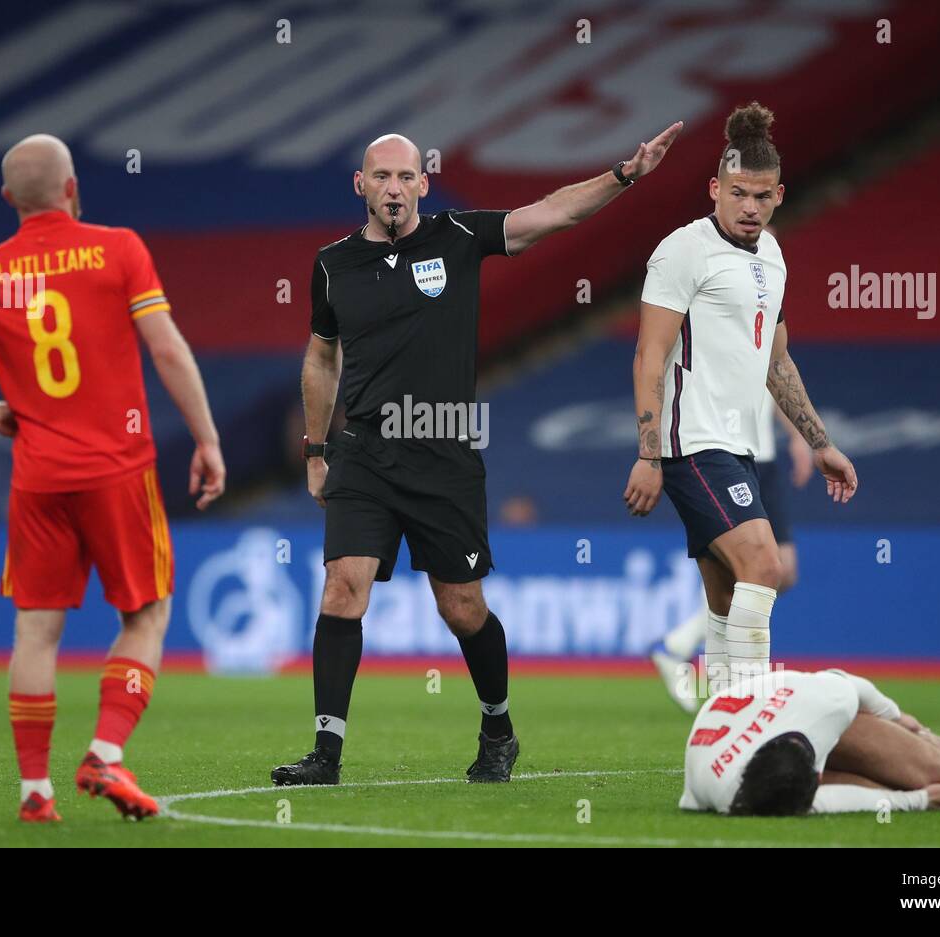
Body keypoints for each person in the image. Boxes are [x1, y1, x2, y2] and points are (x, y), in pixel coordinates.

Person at [274, 123, 683, 786]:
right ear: (361, 186)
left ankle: (498, 727)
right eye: (381, 175)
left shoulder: (457, 237)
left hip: (444, 452)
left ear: (423, 184)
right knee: (341, 586)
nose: (395, 187)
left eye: (407, 175)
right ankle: (325, 754)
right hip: (366, 454)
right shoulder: (332, 265)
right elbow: (321, 357)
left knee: (460, 606)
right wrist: (317, 449)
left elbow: (554, 212)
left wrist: (624, 174)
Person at [0, 134, 226, 822]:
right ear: (73, 188)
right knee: (146, 613)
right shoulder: (119, 249)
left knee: (35, 633)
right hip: (117, 469)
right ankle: (105, 753)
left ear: (7, 200)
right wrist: (205, 436)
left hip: (38, 477)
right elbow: (165, 346)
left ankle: (33, 793)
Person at [625, 102, 857, 698]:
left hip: (741, 443)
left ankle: (725, 718)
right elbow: (649, 356)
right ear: (715, 189)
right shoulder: (682, 251)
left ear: (778, 194)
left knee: (727, 596)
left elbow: (776, 361)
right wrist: (649, 455)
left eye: (761, 196)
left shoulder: (773, 257)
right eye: (737, 193)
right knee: (766, 566)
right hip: (691, 443)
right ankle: (756, 718)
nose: (749, 206)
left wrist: (821, 442)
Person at [651, 395, 813, 712]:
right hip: (719, 447)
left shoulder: (762, 344)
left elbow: (773, 368)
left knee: (778, 570)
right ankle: (742, 704)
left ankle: (679, 648)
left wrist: (798, 435)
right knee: (745, 568)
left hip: (759, 455)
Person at [680, 667, 940, 815]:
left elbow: (854, 687)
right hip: (758, 725)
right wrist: (916, 800)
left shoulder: (828, 705)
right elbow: (826, 802)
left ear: (817, 772)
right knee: (895, 790)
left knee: (932, 771)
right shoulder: (726, 791)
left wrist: (899, 719)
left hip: (806, 704)